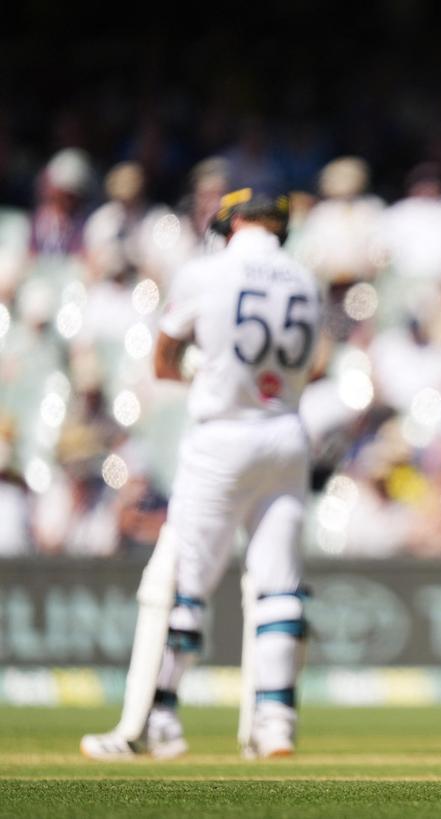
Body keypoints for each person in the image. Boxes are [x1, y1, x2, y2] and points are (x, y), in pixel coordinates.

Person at [80, 188, 322, 760]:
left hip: (222, 434)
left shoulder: (205, 272)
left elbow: (163, 360)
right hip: (286, 431)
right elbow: (312, 365)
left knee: (181, 584)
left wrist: (204, 372)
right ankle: (276, 720)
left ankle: (158, 719)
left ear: (231, 225)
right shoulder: (304, 279)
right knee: (279, 586)